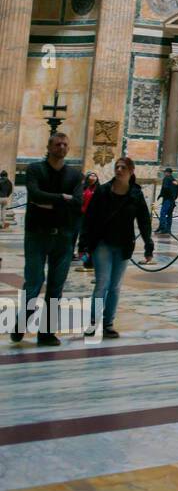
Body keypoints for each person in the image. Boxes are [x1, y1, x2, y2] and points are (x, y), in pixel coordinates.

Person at [14, 132, 84, 345]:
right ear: (49, 146)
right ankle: (22, 323)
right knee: (34, 281)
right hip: (37, 234)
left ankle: (46, 333)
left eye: (65, 144)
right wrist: (63, 198)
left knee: (56, 286)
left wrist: (51, 202)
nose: (61, 147)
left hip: (63, 236)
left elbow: (78, 201)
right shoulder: (35, 169)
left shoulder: (74, 175)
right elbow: (35, 195)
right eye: (57, 144)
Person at [81, 157, 153, 340]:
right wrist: (84, 243)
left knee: (115, 286)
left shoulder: (136, 194)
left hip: (123, 244)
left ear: (131, 171)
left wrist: (148, 243)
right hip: (103, 243)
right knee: (101, 283)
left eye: (123, 167)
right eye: (117, 167)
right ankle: (93, 322)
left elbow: (144, 220)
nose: (119, 170)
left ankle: (108, 324)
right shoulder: (103, 190)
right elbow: (90, 217)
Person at [76, 171, 100, 270]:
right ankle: (84, 260)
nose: (93, 177)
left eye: (95, 175)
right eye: (91, 175)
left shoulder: (99, 189)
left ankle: (91, 261)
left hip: (95, 217)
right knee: (82, 239)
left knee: (92, 239)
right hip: (82, 216)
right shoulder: (82, 188)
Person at [157, 168, 178, 236]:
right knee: (169, 214)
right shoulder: (174, 180)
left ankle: (163, 228)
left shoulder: (166, 179)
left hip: (167, 199)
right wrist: (174, 197)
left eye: (165, 172)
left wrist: (162, 195)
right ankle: (168, 228)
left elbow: (165, 188)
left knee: (163, 213)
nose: (165, 173)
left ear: (167, 173)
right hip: (172, 200)